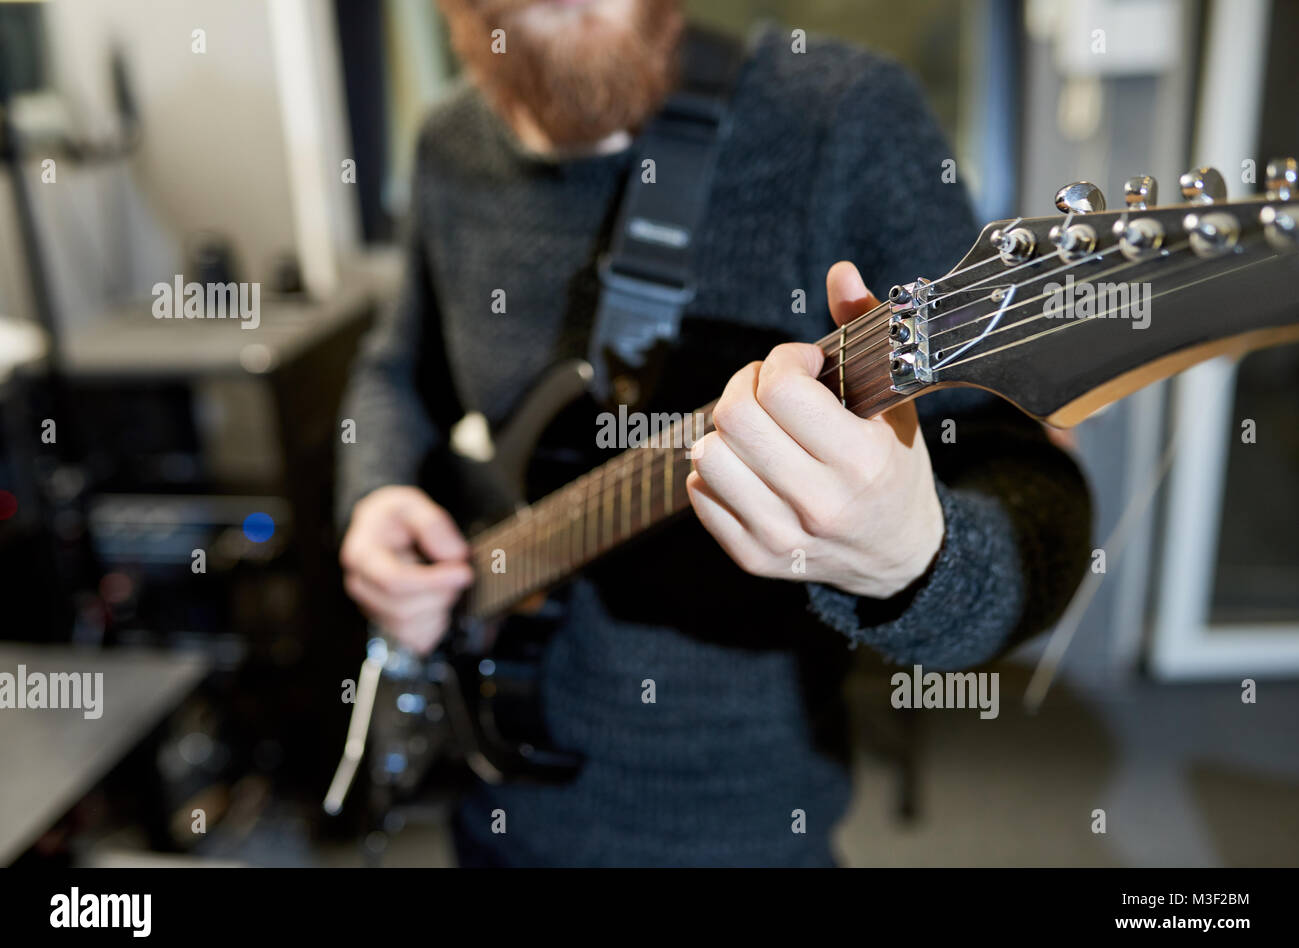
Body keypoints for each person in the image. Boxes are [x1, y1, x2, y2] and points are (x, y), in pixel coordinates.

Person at [336, 0, 1091, 866]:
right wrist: (377, 494)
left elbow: (1035, 498)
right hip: (492, 799)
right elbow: (396, 369)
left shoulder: (844, 116)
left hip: (745, 825)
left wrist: (917, 558)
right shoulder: (448, 145)